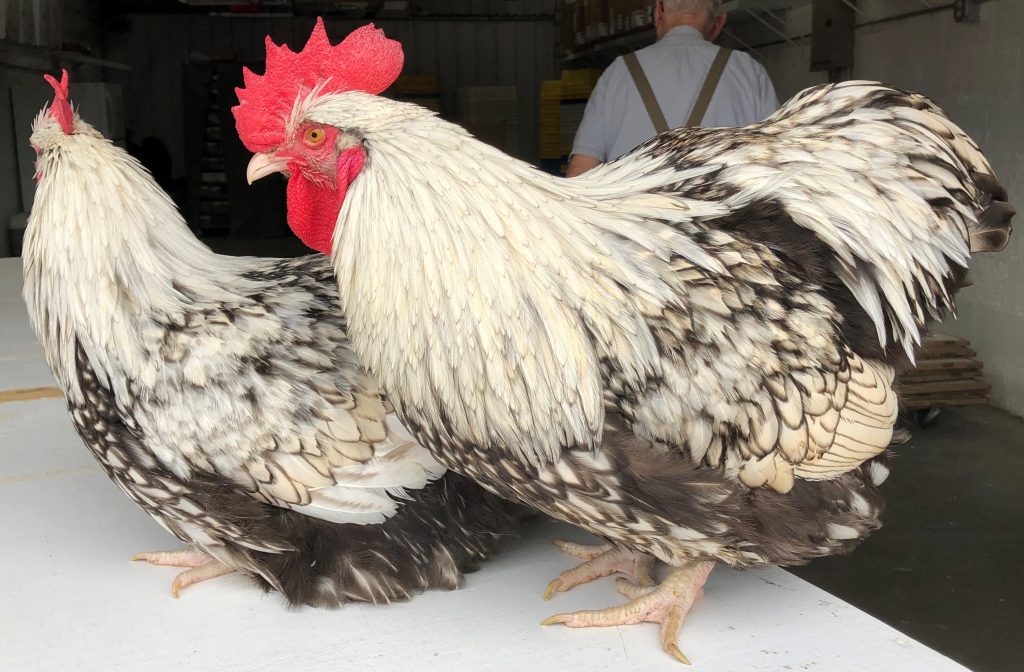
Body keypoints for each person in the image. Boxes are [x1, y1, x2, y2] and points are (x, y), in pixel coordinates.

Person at [567, 0, 779, 177]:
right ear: (719, 21)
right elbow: (778, 163)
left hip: (636, 214)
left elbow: (580, 170)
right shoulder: (748, 71)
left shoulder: (618, 72)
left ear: (658, 11)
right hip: (723, 215)